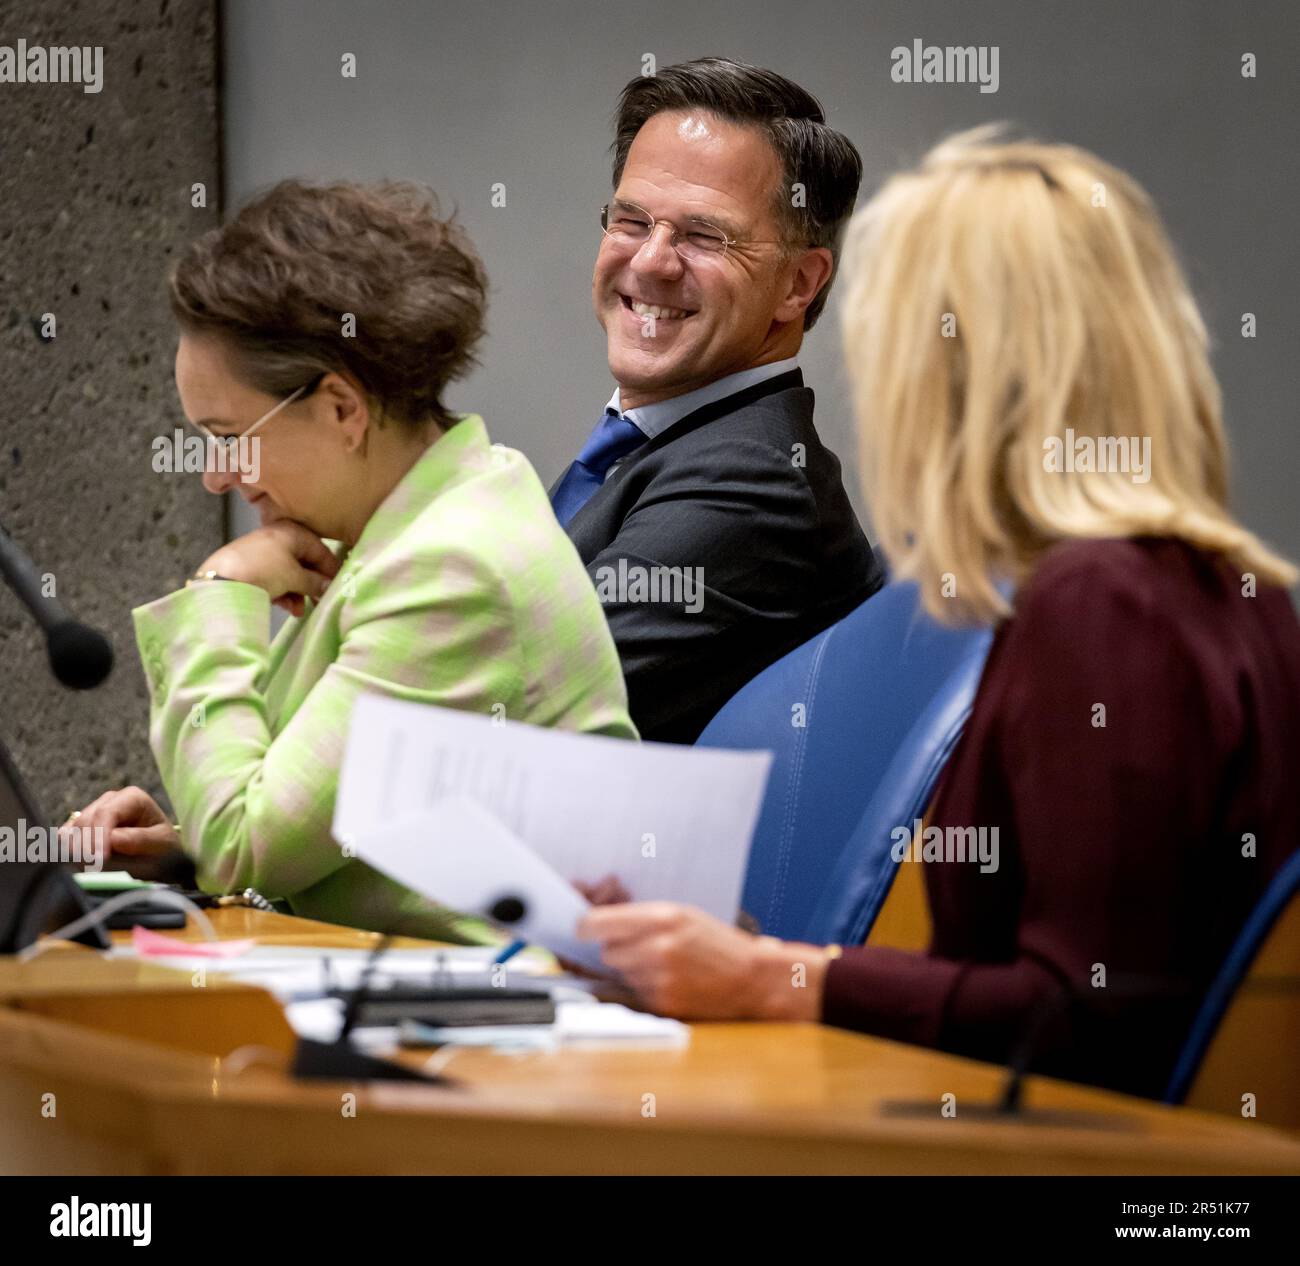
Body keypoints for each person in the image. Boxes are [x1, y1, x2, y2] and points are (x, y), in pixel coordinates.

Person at [577, 129, 1300, 1099]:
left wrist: (772, 978)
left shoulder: (1101, 606)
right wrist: (726, 956)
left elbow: (1081, 1018)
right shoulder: (1219, 592)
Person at [65, 179, 636, 940]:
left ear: (341, 408)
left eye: (227, 435)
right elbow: (315, 831)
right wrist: (180, 847)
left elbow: (245, 846)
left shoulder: (451, 570)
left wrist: (218, 590)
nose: (214, 475)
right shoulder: (426, 515)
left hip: (506, 1031)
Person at [553, 57, 883, 743]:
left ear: (798, 283)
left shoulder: (752, 482)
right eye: (631, 220)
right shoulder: (658, 446)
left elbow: (513, 708)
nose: (651, 261)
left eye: (704, 236)